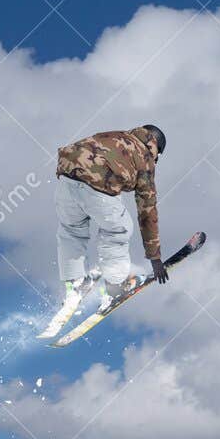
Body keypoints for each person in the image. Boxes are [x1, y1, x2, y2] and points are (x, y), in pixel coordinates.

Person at [52, 124, 169, 316]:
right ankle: (115, 287)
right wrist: (154, 257)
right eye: (159, 154)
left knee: (71, 232)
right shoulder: (145, 155)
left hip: (66, 180)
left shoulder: (114, 136)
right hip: (95, 186)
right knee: (119, 229)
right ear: (154, 143)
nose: (156, 159)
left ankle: (75, 285)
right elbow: (147, 210)